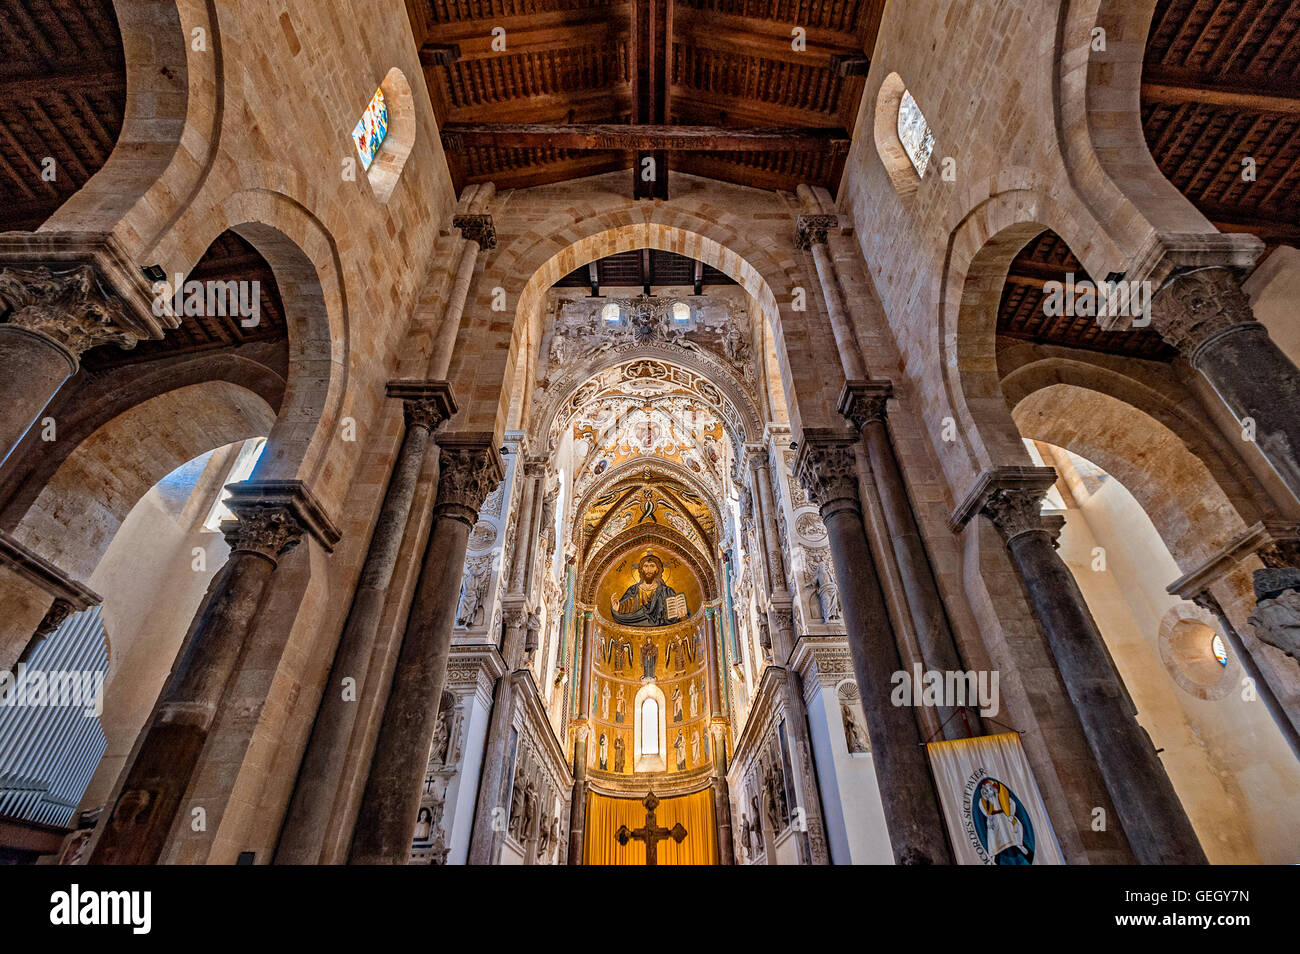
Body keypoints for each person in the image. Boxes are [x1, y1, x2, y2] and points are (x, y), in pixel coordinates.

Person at [610, 552, 687, 627]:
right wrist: (617, 608)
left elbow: (675, 618)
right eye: (646, 566)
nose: (649, 570)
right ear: (641, 569)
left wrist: (680, 614)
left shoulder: (667, 591)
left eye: (652, 566)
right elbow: (625, 611)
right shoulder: (633, 590)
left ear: (657, 569)